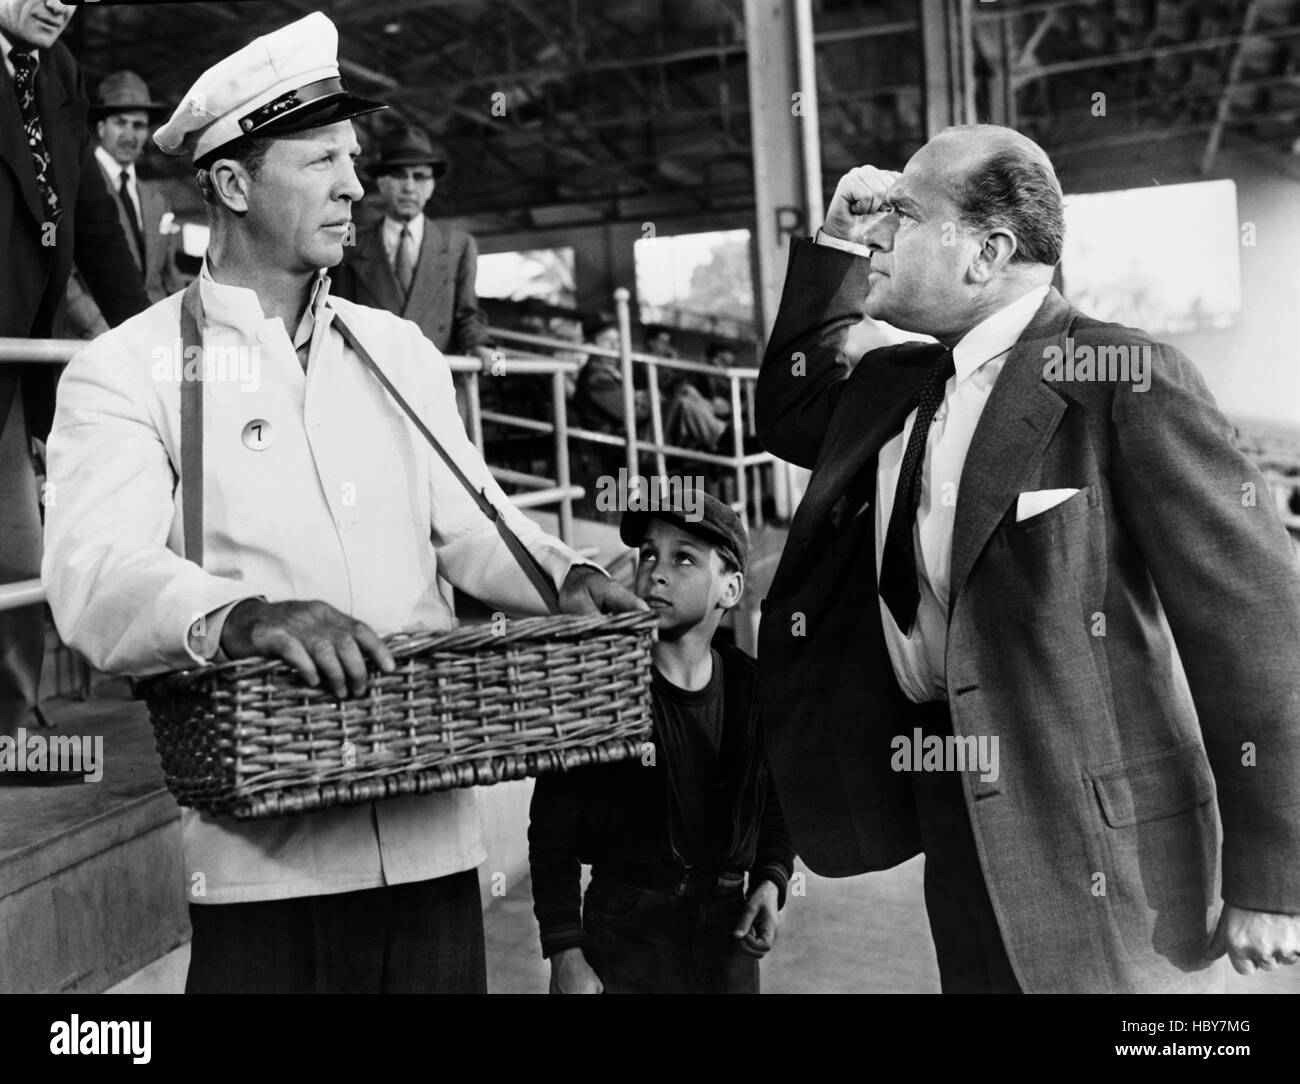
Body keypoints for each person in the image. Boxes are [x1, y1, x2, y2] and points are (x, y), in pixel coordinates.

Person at [41, 12, 643, 994]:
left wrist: (569, 574)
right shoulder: (130, 368)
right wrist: (242, 616)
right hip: (261, 873)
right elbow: (91, 573)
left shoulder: (397, 352)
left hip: (431, 845)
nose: (356, 185)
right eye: (321, 159)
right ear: (231, 184)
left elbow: (477, 525)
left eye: (354, 159)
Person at [755, 123, 1300, 993]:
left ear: (986, 252)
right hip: (954, 800)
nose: (876, 231)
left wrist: (1276, 875)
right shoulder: (893, 385)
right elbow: (788, 407)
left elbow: (1261, 631)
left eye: (902, 212)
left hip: (1099, 838)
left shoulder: (1121, 374)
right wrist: (828, 242)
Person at [528, 488, 794, 993]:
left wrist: (770, 879)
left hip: (727, 939)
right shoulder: (601, 690)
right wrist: (565, 952)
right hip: (625, 937)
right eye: (648, 553)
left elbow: (776, 803)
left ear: (731, 588)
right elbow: (551, 835)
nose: (657, 571)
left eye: (684, 558)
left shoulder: (755, 690)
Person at [0, 0, 149, 776]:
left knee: (19, 553)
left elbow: (91, 222)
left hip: (15, 362)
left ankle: (13, 734)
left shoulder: (56, 71)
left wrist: (157, 342)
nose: (59, 1)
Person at [332, 126, 493, 366]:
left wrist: (482, 347)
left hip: (437, 380)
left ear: (431, 186)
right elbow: (338, 315)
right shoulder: (351, 245)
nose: (409, 187)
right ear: (382, 183)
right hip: (374, 382)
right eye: (399, 176)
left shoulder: (459, 246)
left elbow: (467, 315)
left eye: (419, 176)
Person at [64, 69, 184, 338]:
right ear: (101, 126)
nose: (130, 135)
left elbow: (167, 275)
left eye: (138, 125)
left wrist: (183, 329)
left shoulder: (158, 199)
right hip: (92, 338)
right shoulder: (73, 187)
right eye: (121, 122)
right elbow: (63, 275)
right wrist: (100, 330)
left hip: (149, 340)